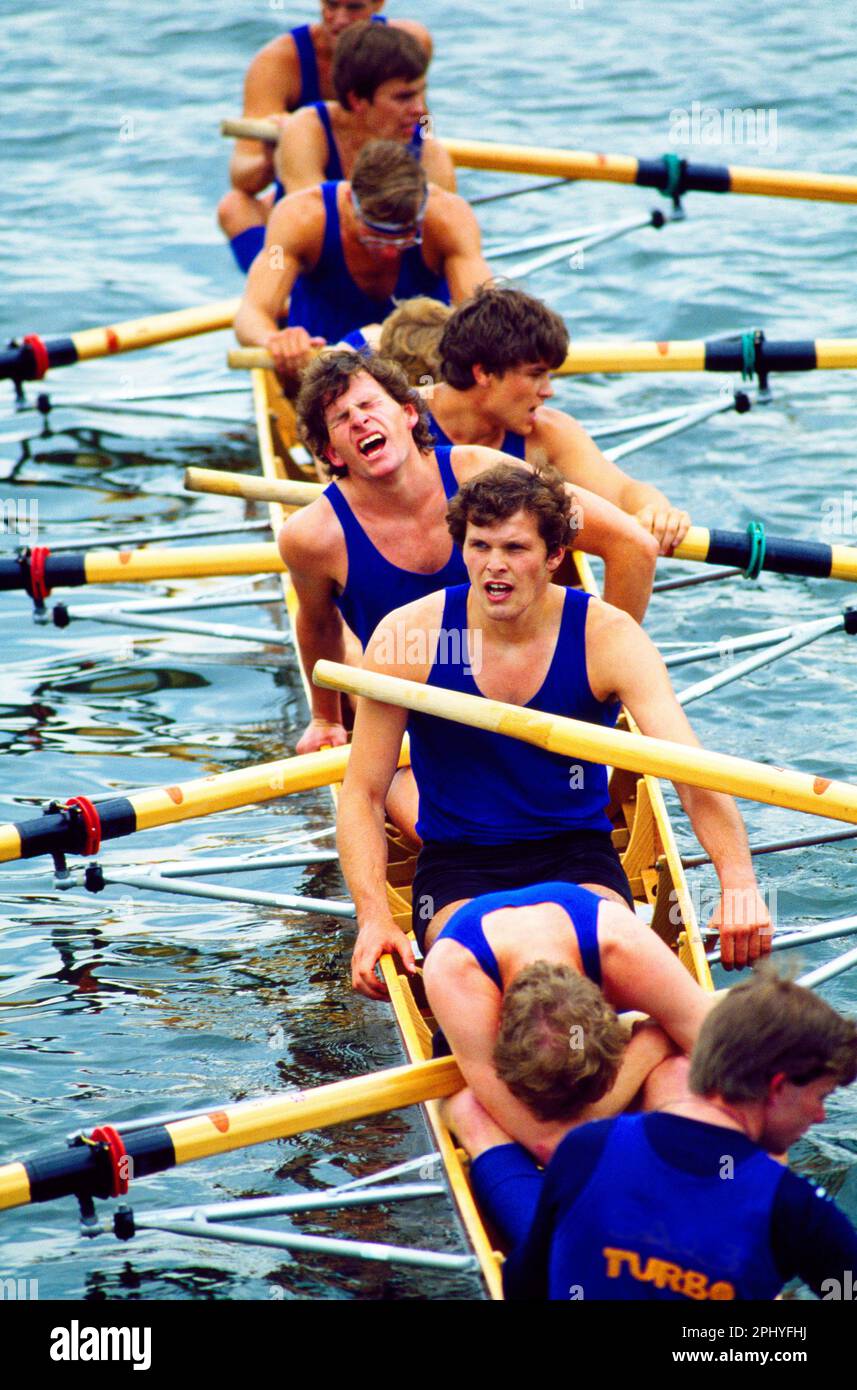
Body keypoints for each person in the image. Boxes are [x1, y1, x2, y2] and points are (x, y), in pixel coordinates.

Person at [335, 463, 771, 996]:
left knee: (588, 988)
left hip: (578, 853)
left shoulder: (609, 638)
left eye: (515, 549)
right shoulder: (409, 638)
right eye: (479, 546)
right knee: (510, 982)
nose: (494, 566)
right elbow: (363, 792)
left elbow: (692, 772)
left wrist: (740, 882)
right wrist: (374, 918)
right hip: (458, 865)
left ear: (556, 556)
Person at [284, 351, 659, 756]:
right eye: (340, 418)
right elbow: (320, 625)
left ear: (410, 414)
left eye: (370, 404)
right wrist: (327, 720)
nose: (359, 420)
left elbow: (632, 545)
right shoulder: (311, 537)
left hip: (528, 701)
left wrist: (599, 674)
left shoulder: (483, 474)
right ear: (334, 454)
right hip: (417, 735)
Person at [448, 969, 857, 1300]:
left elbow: (523, 1288)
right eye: (820, 1096)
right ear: (778, 1086)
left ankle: (476, 1128)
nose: (821, 1116)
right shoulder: (797, 1210)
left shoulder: (587, 1146)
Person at [421, 880, 714, 1159]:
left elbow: (742, 1065)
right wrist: (653, 1043)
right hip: (482, 1023)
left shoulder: (624, 947)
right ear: (498, 1030)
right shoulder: (454, 973)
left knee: (678, 1074)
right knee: (470, 1111)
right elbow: (547, 1141)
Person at [429, 286, 691, 553]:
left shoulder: (550, 433)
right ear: (483, 372)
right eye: (535, 374)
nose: (548, 391)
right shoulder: (403, 420)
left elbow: (623, 493)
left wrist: (658, 511)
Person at [233, 142, 490, 380]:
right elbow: (253, 312)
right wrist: (273, 341)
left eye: (404, 240)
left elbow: (486, 318)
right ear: (348, 202)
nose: (390, 253)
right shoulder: (298, 218)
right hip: (321, 370)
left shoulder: (449, 218)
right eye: (375, 238)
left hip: (420, 371)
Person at [218, 1, 432, 271]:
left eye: (354, 7)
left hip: (380, 196)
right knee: (235, 207)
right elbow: (242, 178)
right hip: (317, 199)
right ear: (355, 100)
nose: (340, 19)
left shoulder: (411, 42)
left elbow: (425, 121)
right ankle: (279, 287)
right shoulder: (278, 64)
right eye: (331, 4)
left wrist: (425, 139)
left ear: (379, 4)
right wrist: (276, 154)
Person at [275, 25, 455, 197]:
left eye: (421, 93)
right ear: (357, 100)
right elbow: (309, 213)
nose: (420, 109)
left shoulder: (429, 153)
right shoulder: (307, 127)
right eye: (403, 97)